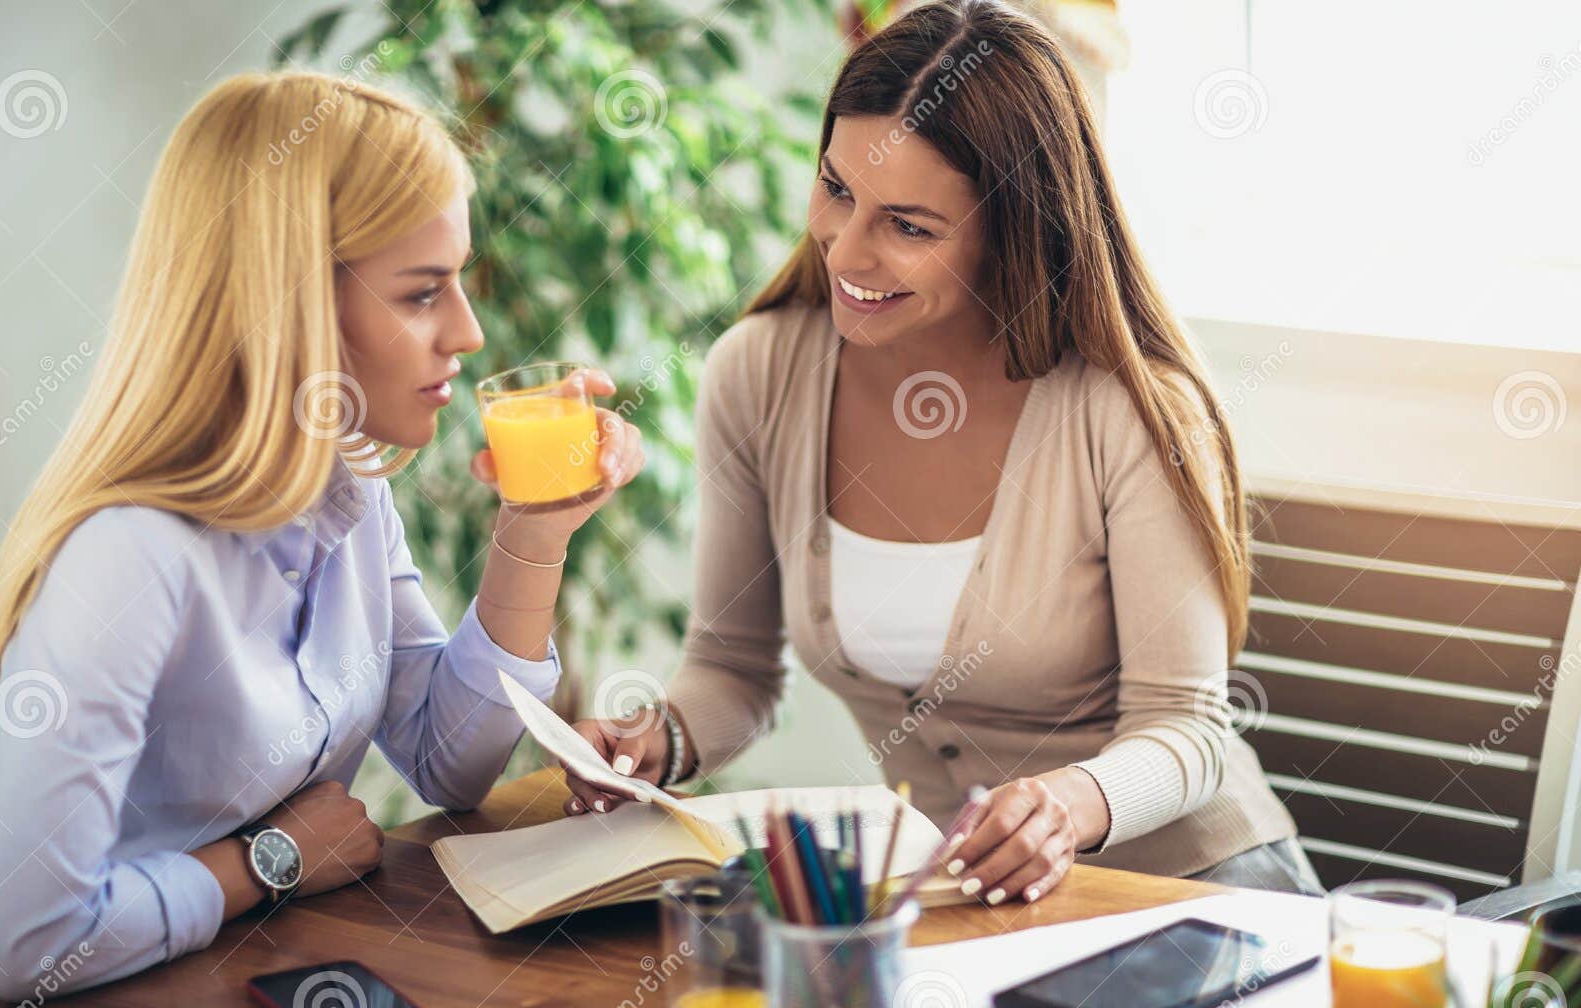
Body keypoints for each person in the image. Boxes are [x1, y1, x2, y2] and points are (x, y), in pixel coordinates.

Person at [559, 0, 1322, 904]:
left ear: (1018, 230)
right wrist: (660, 737)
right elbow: (733, 665)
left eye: (908, 226)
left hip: (1194, 890)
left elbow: (1186, 727)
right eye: (837, 189)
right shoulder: (760, 371)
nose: (845, 248)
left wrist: (1066, 804)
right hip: (965, 907)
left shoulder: (1129, 409)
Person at [0, 73, 644, 1001]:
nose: (468, 330)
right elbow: (28, 941)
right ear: (285, 302)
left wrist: (533, 534)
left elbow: (447, 760)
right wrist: (272, 858)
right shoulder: (130, 557)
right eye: (423, 294)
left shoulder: (349, 496)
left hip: (263, 987)